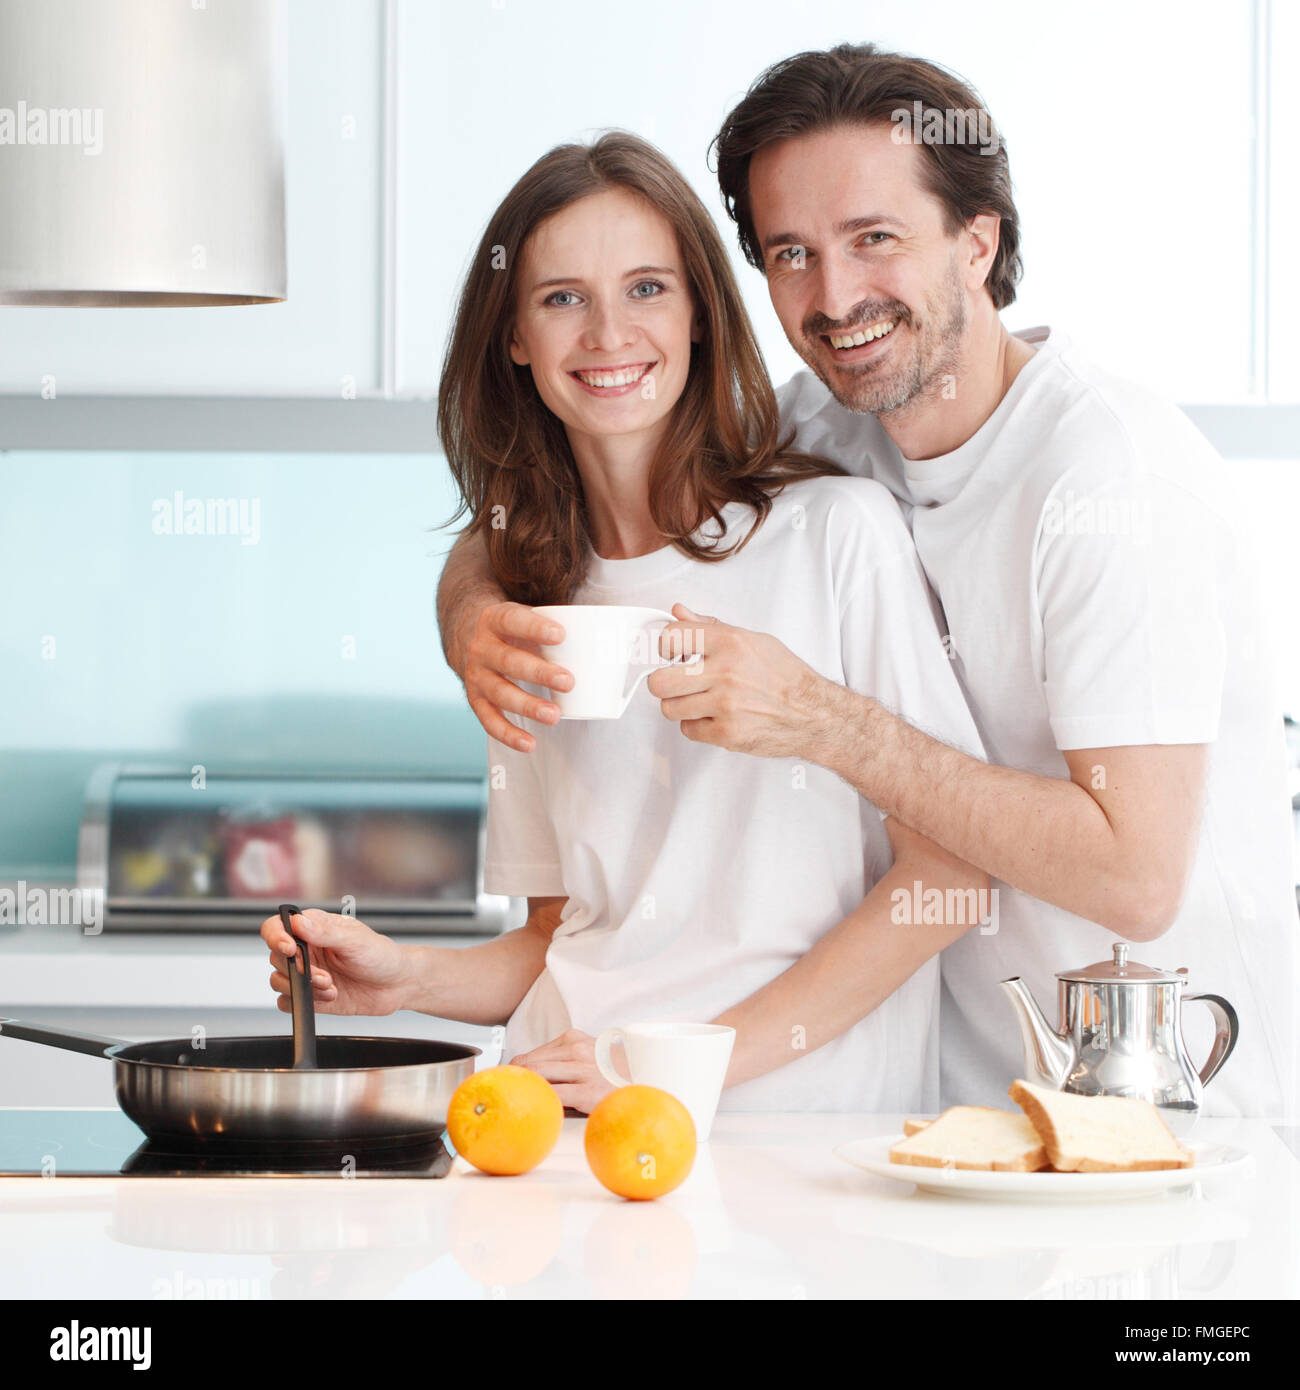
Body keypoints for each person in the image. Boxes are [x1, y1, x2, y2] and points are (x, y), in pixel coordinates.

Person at [437, 47, 1298, 1120]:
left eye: (873, 239)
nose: (834, 296)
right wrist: (470, 608)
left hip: (1176, 1107)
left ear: (976, 239)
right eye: (791, 253)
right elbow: (583, 493)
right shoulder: (826, 425)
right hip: (968, 1107)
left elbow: (1134, 876)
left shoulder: (1108, 479)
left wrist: (823, 721)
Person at [264, 131, 989, 1115]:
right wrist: (411, 979)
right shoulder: (518, 607)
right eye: (563, 298)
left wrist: (679, 1064)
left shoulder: (834, 536)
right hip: (561, 1121)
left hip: (794, 1136)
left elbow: (950, 874)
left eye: (647, 288)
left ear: (698, 312)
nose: (608, 333)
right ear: (515, 334)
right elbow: (565, 932)